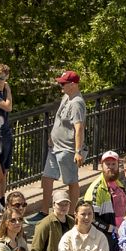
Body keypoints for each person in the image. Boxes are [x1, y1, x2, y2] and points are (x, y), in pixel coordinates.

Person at [40, 71, 86, 213]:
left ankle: (71, 214)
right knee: (47, 177)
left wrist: (78, 151)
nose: (61, 86)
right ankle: (44, 212)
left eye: (63, 83)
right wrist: (52, 136)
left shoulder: (77, 103)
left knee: (71, 181)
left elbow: (79, 128)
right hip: (54, 146)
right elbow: (59, 119)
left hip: (67, 149)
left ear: (72, 85)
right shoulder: (66, 96)